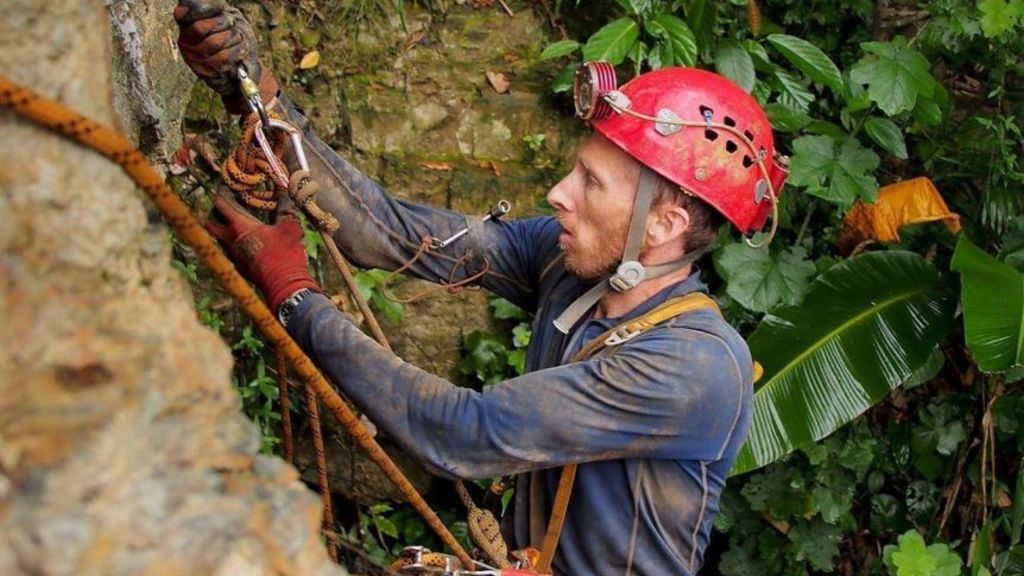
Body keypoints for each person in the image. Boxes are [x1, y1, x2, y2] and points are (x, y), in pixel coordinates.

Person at [175, 2, 788, 574]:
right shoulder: (567, 265)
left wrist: (294, 294)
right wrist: (261, 101)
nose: (559, 194)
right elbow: (396, 233)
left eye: (591, 183)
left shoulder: (695, 367)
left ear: (665, 224)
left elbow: (462, 434)